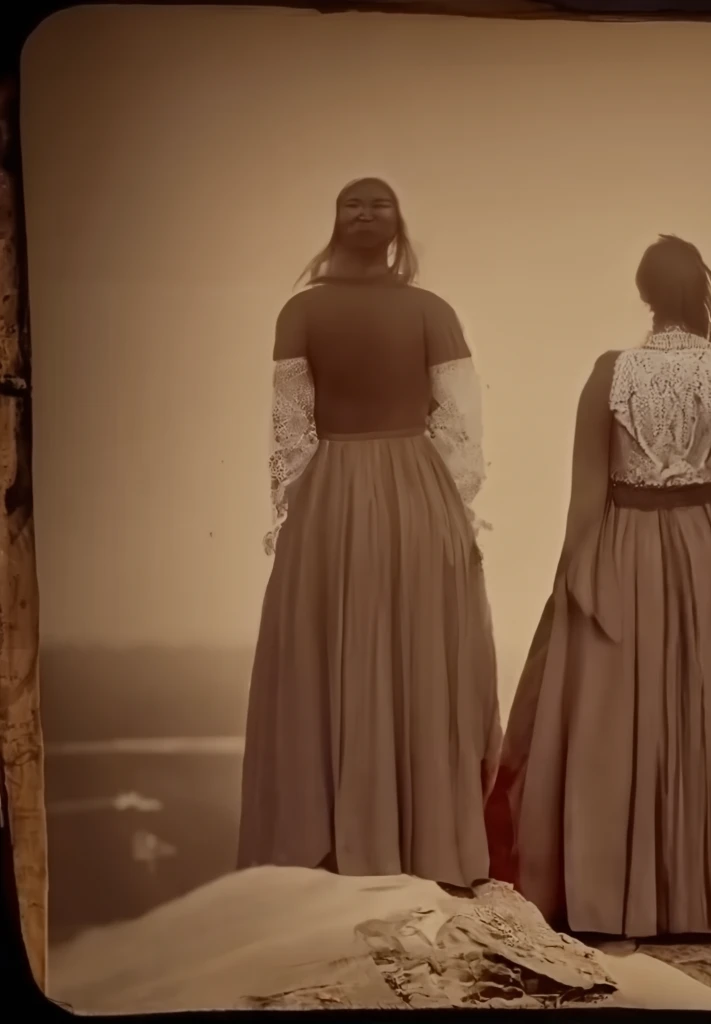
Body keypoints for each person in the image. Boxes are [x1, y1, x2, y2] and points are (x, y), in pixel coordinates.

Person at [484, 234, 711, 937]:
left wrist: (570, 591)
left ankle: (607, 904)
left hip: (621, 552)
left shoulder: (608, 372)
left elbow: (584, 503)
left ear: (644, 294)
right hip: (709, 553)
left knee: (613, 729)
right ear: (700, 291)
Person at [238, 177, 502, 889]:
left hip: (360, 497)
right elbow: (289, 421)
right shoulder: (305, 312)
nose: (364, 210)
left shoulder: (426, 310)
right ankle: (395, 846)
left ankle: (367, 848)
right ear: (335, 219)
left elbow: (460, 417)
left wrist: (448, 504)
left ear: (398, 222)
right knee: (406, 652)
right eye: (352, 201)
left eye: (377, 201)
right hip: (385, 492)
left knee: (350, 650)